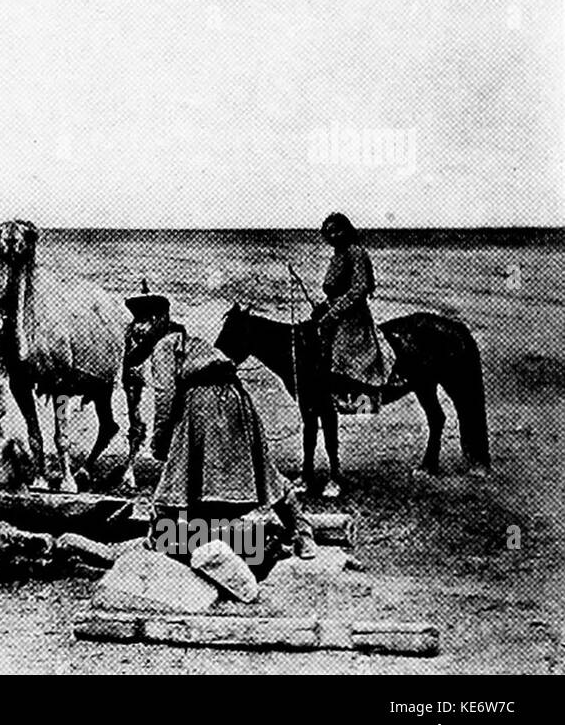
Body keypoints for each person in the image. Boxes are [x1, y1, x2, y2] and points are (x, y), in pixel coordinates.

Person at [124, 292, 316, 561]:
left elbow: (165, 397)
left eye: (143, 321)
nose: (137, 329)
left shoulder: (164, 346)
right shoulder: (190, 341)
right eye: (135, 322)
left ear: (159, 320)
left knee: (176, 480)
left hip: (203, 406)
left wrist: (159, 441)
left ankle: (163, 539)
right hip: (237, 400)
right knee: (262, 471)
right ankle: (301, 532)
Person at [313, 212, 395, 413]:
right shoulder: (338, 255)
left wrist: (334, 312)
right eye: (329, 232)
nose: (333, 236)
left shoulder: (355, 252)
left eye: (337, 231)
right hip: (337, 310)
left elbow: (360, 287)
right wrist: (325, 306)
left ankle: (361, 403)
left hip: (353, 315)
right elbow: (335, 288)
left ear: (346, 230)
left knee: (345, 351)